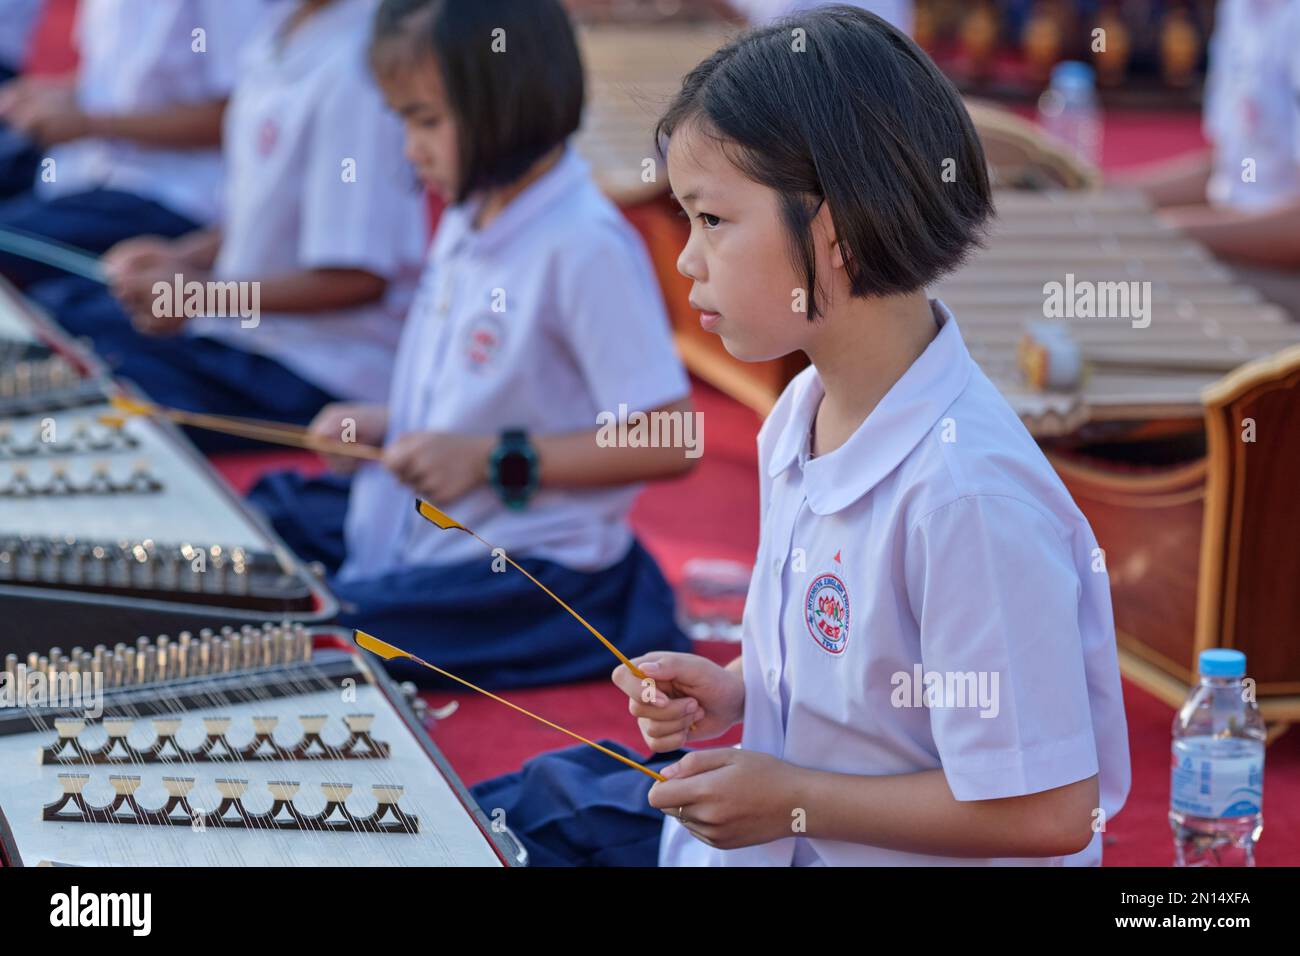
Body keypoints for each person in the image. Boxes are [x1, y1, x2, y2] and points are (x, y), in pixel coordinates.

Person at [472, 5, 1131, 866]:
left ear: (835, 234)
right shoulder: (804, 409)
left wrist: (795, 804)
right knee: (519, 808)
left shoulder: (968, 500)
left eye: (711, 221)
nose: (685, 259)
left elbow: (1049, 813)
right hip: (785, 839)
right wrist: (738, 689)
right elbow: (849, 675)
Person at [248, 0, 696, 689]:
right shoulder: (470, 211)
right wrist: (386, 425)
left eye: (426, 121)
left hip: (528, 569)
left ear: (505, 102)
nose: (409, 148)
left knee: (328, 641)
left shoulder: (585, 246)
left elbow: (670, 439)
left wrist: (495, 462)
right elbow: (475, 392)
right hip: (425, 527)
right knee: (264, 517)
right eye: (402, 119)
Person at [29, 0, 427, 449]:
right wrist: (182, 256)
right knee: (51, 319)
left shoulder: (359, 70)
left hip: (315, 368)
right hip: (244, 333)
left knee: (69, 389)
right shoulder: (283, 30)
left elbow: (358, 277)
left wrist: (200, 296)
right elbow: (271, 215)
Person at [0, 0, 263, 282]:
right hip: (88, 173)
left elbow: (237, 115)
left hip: (174, 195)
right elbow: (109, 79)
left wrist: (92, 124)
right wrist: (52, 94)